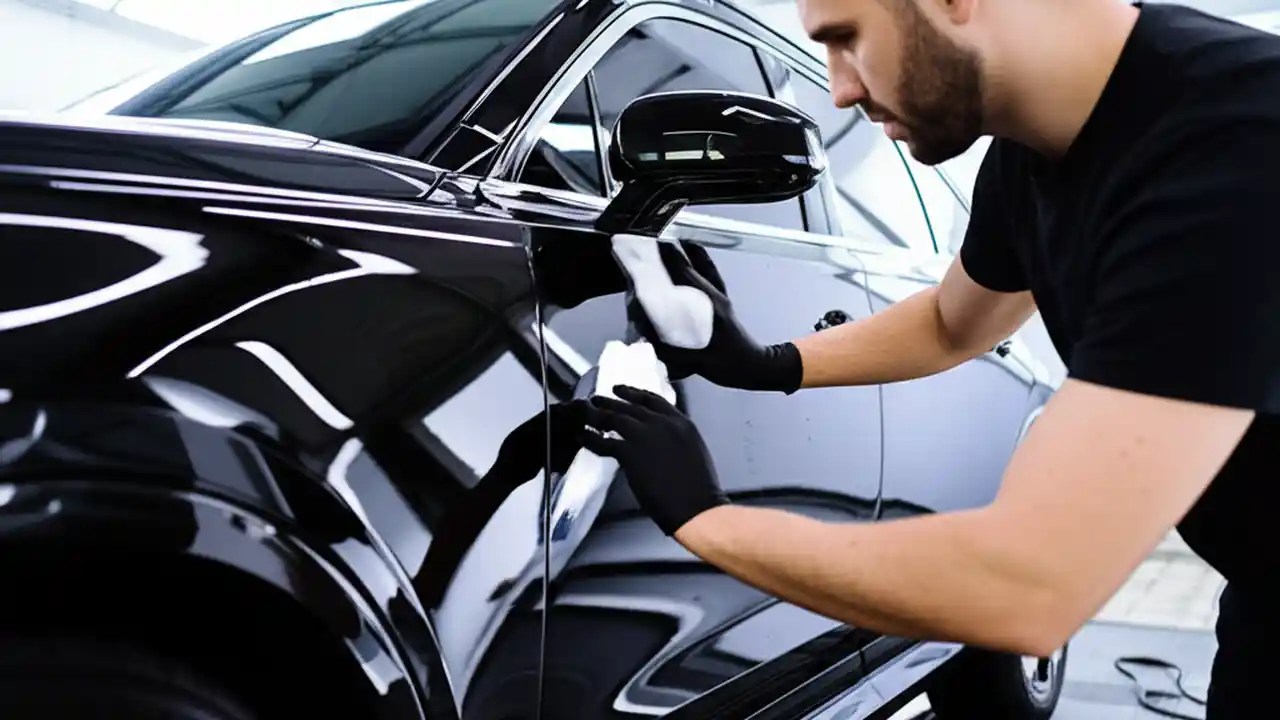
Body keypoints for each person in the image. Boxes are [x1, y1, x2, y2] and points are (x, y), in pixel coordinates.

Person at [575, 0, 1280, 715]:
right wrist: (767, 363)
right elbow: (950, 323)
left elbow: (1029, 587)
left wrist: (705, 519)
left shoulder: (1237, 139)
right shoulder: (1031, 157)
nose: (840, 89)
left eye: (847, 38)